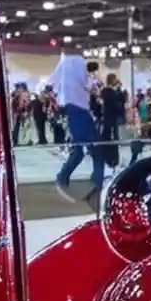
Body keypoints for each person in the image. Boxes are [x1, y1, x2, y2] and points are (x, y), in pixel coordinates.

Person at [53, 55, 103, 211]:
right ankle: (66, 176)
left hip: (82, 118)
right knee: (84, 151)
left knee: (88, 151)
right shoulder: (76, 84)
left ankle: (95, 178)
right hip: (79, 119)